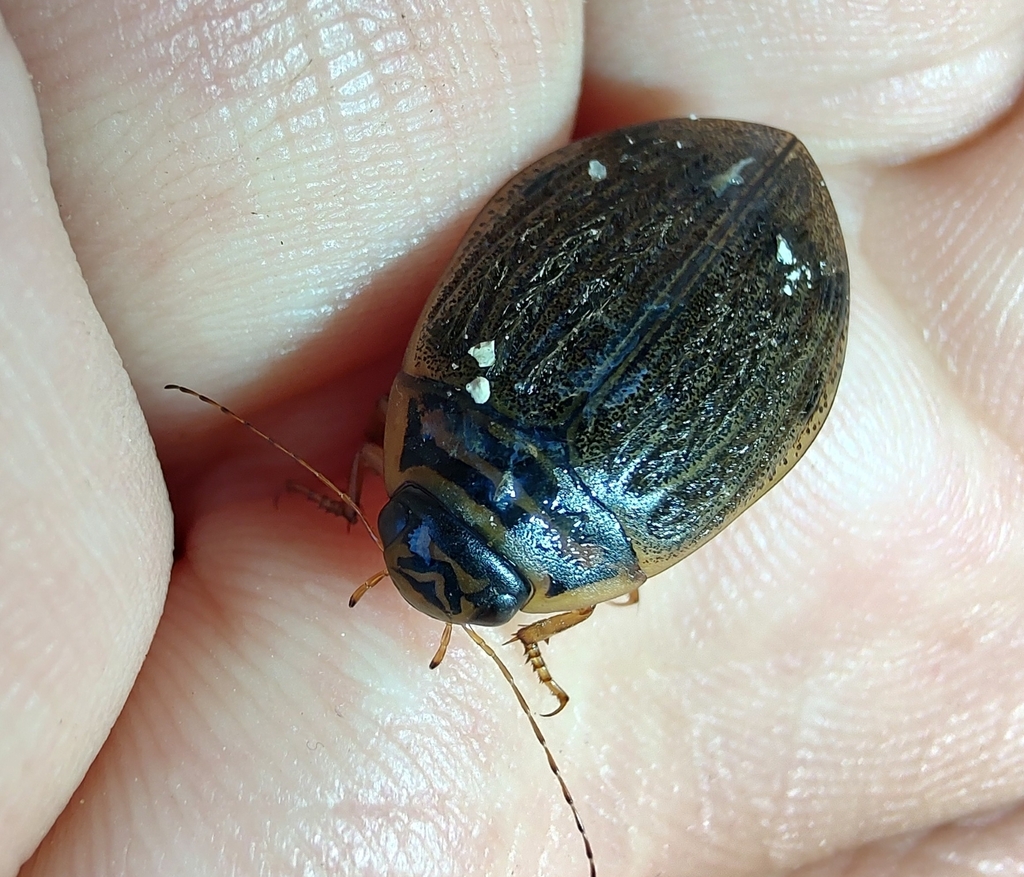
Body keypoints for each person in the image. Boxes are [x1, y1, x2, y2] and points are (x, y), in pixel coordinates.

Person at [3, 1, 1024, 875]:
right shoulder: (449, 443)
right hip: (703, 241)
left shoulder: (495, 477)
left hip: (680, 222)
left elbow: (396, 451)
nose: (414, 570)